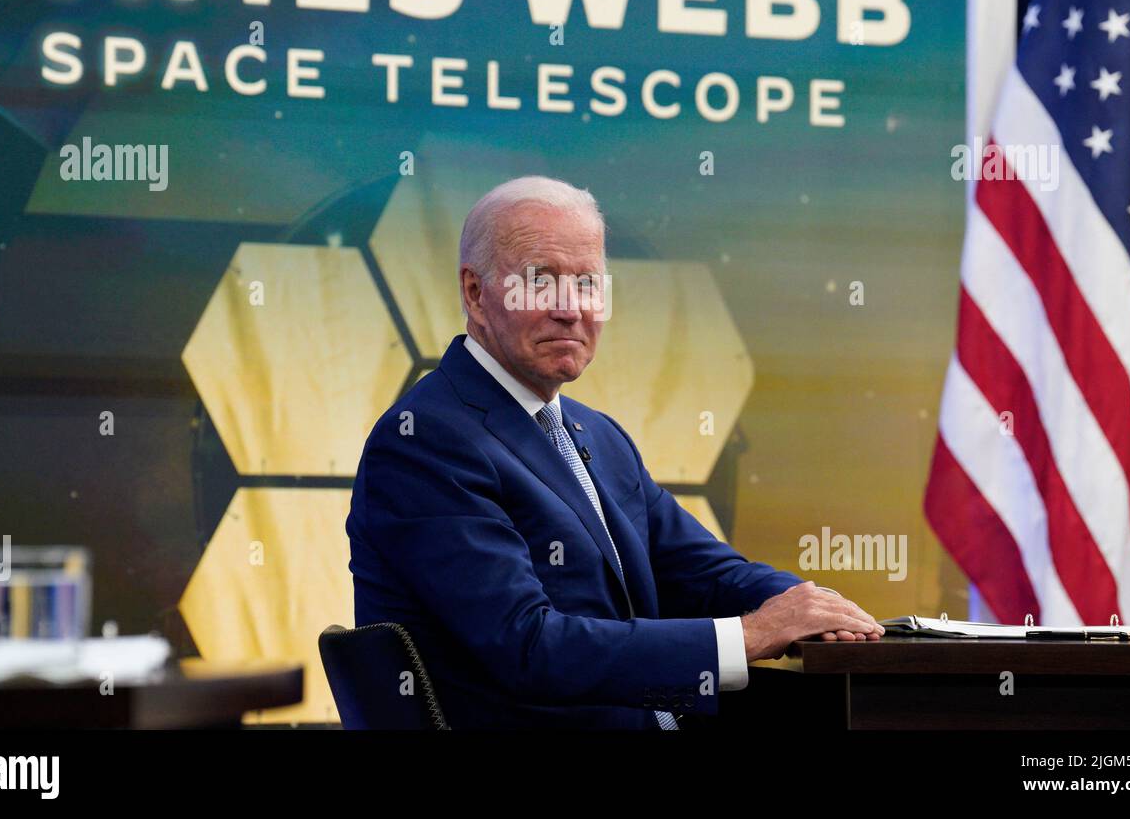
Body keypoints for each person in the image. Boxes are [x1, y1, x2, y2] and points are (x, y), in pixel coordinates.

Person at [347, 175, 883, 729]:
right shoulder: (424, 442)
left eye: (588, 283)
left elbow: (701, 569)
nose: (570, 308)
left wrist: (810, 608)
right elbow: (528, 647)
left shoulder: (597, 434)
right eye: (541, 281)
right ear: (476, 293)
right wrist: (752, 635)